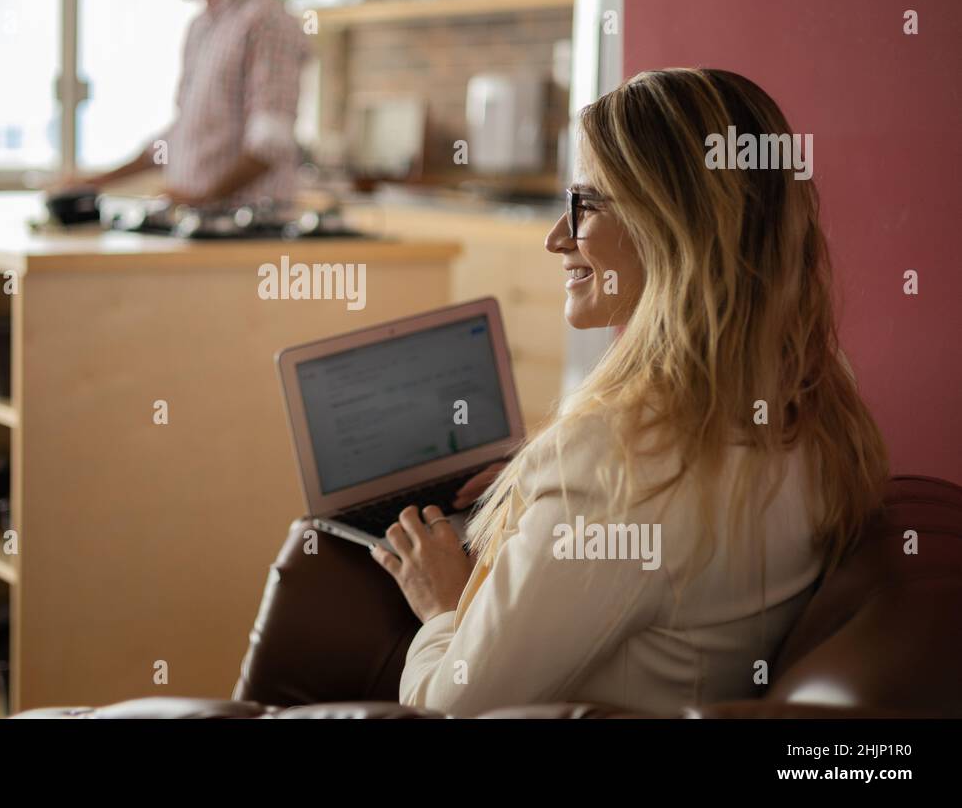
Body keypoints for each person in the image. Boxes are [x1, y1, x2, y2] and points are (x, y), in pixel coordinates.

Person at [372, 68, 889, 716]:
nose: (555, 237)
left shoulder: (618, 469)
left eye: (584, 205)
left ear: (671, 229)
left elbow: (441, 710)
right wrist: (541, 502)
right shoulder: (818, 425)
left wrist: (443, 607)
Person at [66, 0, 307, 206]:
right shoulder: (202, 28)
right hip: (199, 228)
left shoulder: (266, 22)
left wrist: (201, 199)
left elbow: (270, 142)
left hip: (246, 232)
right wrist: (95, 183)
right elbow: (179, 138)